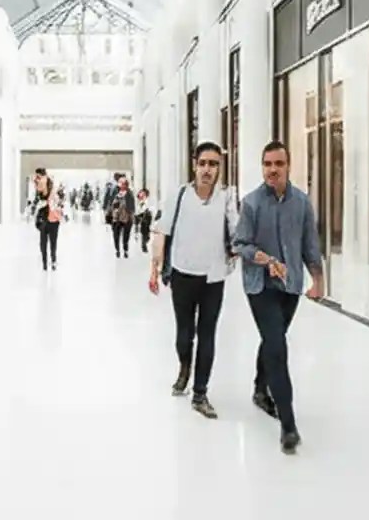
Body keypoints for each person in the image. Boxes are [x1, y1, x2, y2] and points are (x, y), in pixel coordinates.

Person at [232, 141, 324, 454]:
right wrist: (264, 258)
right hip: (260, 287)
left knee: (273, 340)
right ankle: (288, 425)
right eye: (267, 164)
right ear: (262, 167)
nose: (273, 169)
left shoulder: (301, 202)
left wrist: (318, 281)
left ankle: (260, 388)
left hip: (291, 286)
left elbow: (310, 244)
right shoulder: (252, 203)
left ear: (288, 166)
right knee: (277, 346)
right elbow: (239, 244)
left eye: (279, 164)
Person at [149, 142, 238, 419]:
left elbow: (236, 232)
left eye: (213, 164)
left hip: (213, 277)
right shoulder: (179, 195)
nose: (207, 170)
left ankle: (200, 392)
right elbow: (162, 231)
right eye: (203, 163)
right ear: (194, 165)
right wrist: (155, 268)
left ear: (219, 169)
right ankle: (184, 365)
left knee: (208, 333)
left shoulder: (227, 197)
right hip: (182, 273)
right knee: (184, 334)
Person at [34, 168, 60, 270]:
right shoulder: (39, 188)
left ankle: (52, 261)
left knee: (52, 243)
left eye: (38, 177)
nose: (36, 179)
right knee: (44, 243)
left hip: (52, 219)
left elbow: (56, 203)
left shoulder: (51, 188)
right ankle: (46, 263)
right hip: (45, 219)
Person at [107, 175, 135, 258]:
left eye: (124, 184)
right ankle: (117, 250)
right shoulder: (115, 192)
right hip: (117, 218)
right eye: (121, 184)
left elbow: (132, 207)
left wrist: (131, 215)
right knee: (116, 234)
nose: (122, 185)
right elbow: (112, 203)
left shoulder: (129, 194)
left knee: (126, 235)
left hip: (127, 217)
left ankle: (125, 250)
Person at [136, 188, 154, 253]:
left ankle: (145, 242)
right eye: (141, 193)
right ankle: (144, 246)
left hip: (148, 217)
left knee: (147, 234)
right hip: (142, 218)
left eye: (143, 194)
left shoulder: (148, 201)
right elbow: (138, 211)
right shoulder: (139, 201)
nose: (142, 195)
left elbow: (151, 208)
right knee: (144, 233)